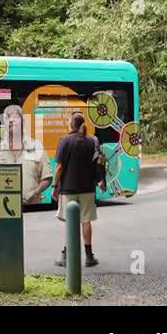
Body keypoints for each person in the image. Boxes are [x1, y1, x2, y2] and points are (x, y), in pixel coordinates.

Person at [52, 112, 106, 267]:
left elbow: (60, 167)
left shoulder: (65, 141)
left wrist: (55, 187)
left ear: (71, 125)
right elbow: (99, 162)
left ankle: (66, 256)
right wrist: (100, 180)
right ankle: (89, 256)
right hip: (88, 188)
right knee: (86, 221)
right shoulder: (91, 141)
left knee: (71, 222)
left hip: (68, 189)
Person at [0, 105, 52, 204]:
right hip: (5, 210)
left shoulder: (36, 146)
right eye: (7, 118)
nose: (11, 120)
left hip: (32, 209)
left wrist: (35, 193)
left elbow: (47, 177)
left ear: (23, 121)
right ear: (4, 123)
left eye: (15, 117)